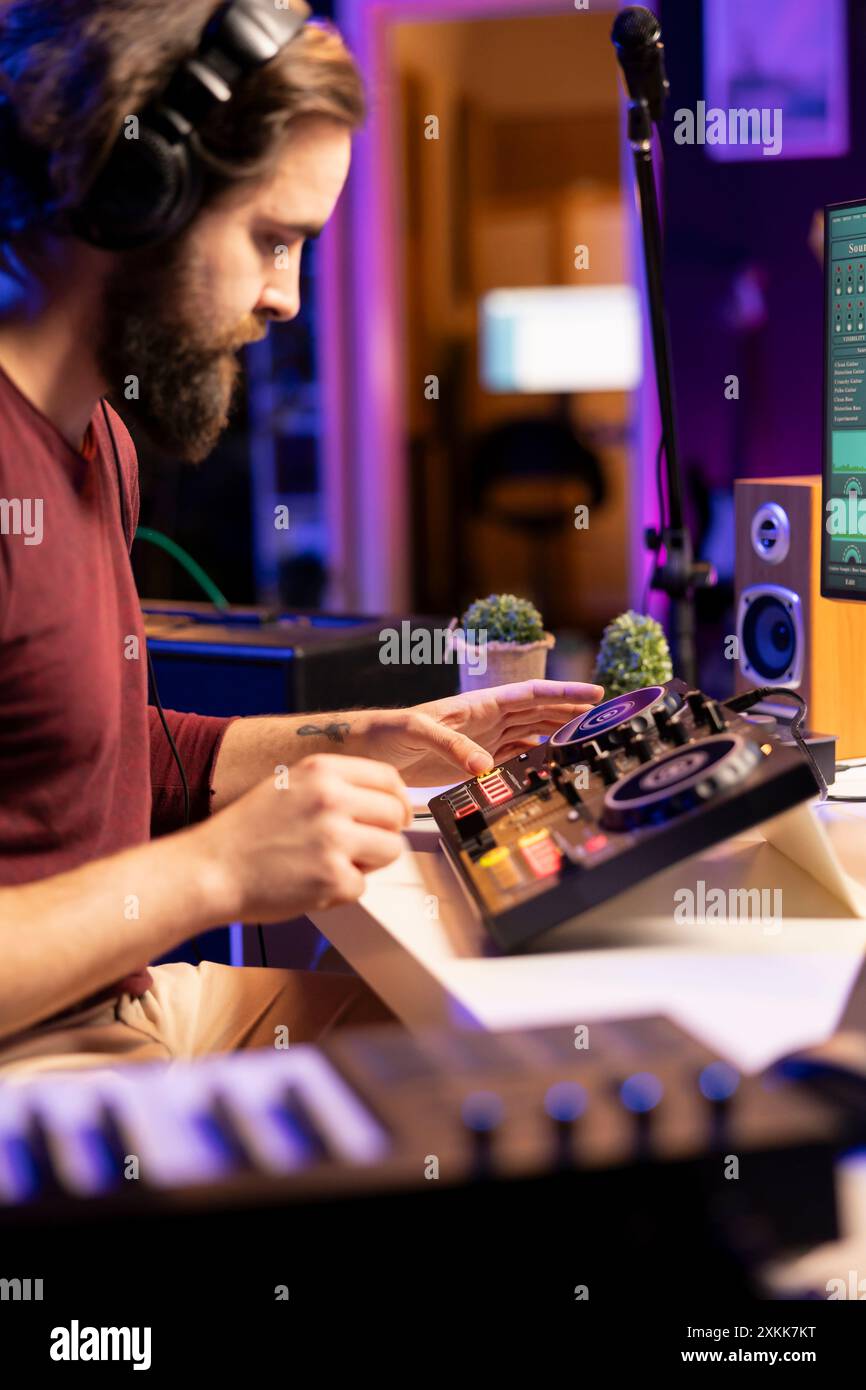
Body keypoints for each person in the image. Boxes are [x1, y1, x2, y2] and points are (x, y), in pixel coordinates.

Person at [0, 0, 603, 1078]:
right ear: (136, 194)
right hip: (30, 1062)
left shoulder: (97, 437)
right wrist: (214, 876)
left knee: (545, 1050)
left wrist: (371, 737)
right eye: (271, 239)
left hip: (122, 1012)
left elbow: (111, 755)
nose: (284, 299)